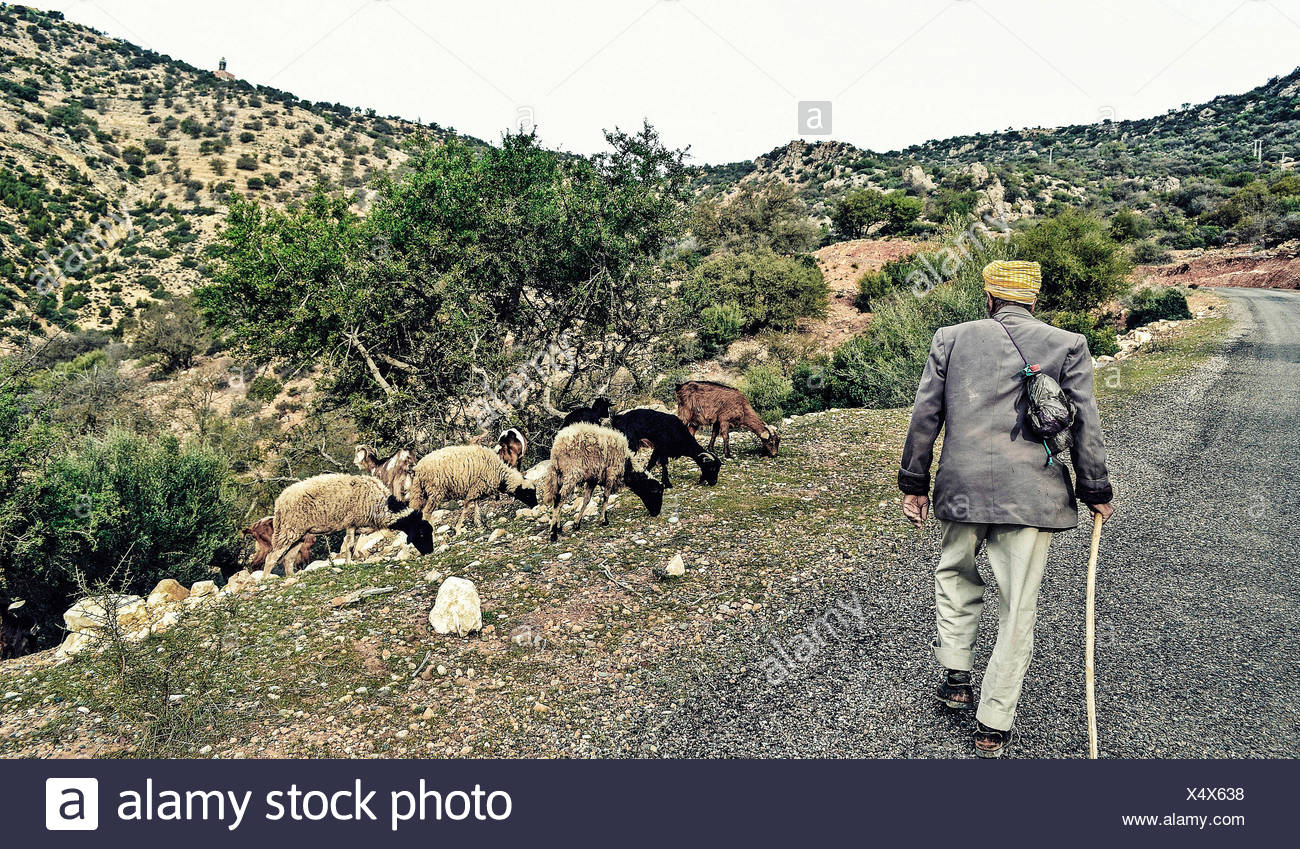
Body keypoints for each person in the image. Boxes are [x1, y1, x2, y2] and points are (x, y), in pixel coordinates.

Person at [898, 260, 1115, 758]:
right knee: (1018, 606)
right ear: (1033, 301)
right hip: (1032, 493)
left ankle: (955, 677)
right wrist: (1095, 489)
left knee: (954, 573)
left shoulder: (950, 338)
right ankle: (993, 722)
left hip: (961, 486)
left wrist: (914, 482)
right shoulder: (1069, 344)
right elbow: (1086, 426)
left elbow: (925, 415)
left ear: (990, 298)